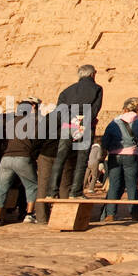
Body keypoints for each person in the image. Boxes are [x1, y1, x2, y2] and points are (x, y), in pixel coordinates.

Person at [51, 64, 103, 200]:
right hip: (84, 125)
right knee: (81, 159)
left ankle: (52, 191)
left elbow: (59, 112)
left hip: (67, 125)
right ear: (92, 74)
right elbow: (94, 109)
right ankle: (75, 192)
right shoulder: (97, 88)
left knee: (60, 158)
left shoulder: (67, 90)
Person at [100, 98, 138, 222]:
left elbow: (105, 139)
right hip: (131, 156)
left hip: (115, 155)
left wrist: (110, 149)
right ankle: (134, 213)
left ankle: (110, 214)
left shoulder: (114, 122)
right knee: (131, 186)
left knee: (113, 185)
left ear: (124, 109)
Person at [0, 103, 42, 227]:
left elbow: (2, 141)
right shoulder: (33, 122)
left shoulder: (8, 123)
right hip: (23, 157)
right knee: (32, 186)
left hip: (6, 158)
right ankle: (29, 214)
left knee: (1, 190)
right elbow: (37, 141)